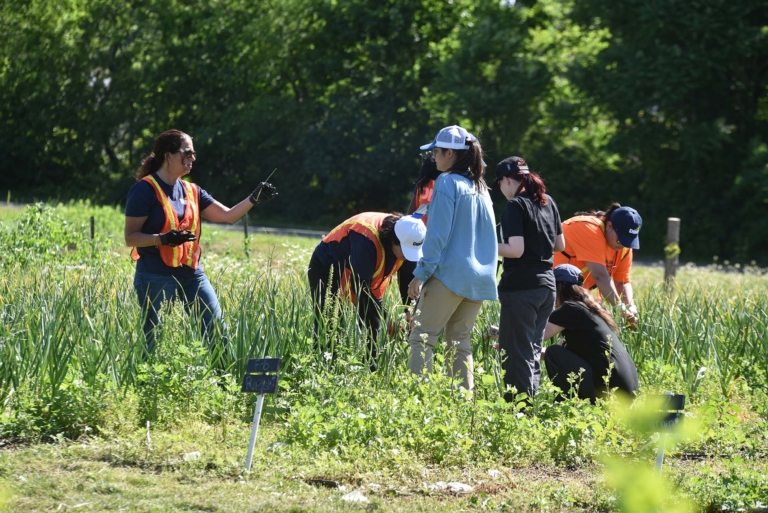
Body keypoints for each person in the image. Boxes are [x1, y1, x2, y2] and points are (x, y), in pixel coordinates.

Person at [124, 129, 277, 358]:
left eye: (193, 154)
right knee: (154, 340)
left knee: (217, 332)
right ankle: (147, 389)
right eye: (187, 153)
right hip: (155, 275)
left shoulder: (192, 190)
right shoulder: (144, 190)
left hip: (192, 273)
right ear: (168, 156)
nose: (192, 158)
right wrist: (162, 239)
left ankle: (226, 387)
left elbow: (228, 216)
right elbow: (130, 237)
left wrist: (254, 198)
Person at [407, 125, 498, 391]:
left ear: (450, 152)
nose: (433, 157)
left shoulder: (447, 182)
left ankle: (416, 402)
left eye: (436, 151)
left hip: (450, 275)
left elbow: (437, 236)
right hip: (480, 279)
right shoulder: (481, 186)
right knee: (460, 342)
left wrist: (420, 274)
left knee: (422, 337)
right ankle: (462, 402)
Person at [307, 212, 427, 365]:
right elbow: (362, 291)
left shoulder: (408, 241)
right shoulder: (365, 238)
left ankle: (370, 372)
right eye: (405, 251)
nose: (408, 256)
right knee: (331, 324)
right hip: (327, 267)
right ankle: (323, 369)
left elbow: (407, 284)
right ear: (393, 241)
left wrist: (410, 314)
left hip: (363, 275)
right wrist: (389, 322)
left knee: (374, 327)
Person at [494, 156, 565, 402]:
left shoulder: (515, 206)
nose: (500, 190)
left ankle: (518, 410)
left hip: (521, 289)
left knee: (516, 353)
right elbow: (560, 244)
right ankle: (528, 405)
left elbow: (515, 250)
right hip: (547, 286)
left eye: (499, 184)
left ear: (505, 180)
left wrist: (484, 244)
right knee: (532, 350)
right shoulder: (548, 202)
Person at [543, 264, 639, 402]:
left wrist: (508, 337)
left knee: (553, 352)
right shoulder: (590, 310)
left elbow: (534, 339)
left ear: (558, 287)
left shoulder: (570, 309)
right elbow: (544, 354)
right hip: (625, 392)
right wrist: (513, 348)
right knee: (554, 352)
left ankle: (564, 405)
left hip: (611, 390)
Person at [553, 204, 642, 326]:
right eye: (621, 239)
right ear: (609, 226)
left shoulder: (624, 246)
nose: (623, 245)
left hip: (573, 295)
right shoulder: (590, 228)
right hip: (549, 290)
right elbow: (599, 276)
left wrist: (631, 307)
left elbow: (621, 282)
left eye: (629, 240)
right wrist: (620, 309)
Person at [397, 153, 441, 311]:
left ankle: (409, 323)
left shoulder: (422, 185)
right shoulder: (450, 184)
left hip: (415, 244)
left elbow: (410, 215)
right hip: (437, 246)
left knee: (409, 296)